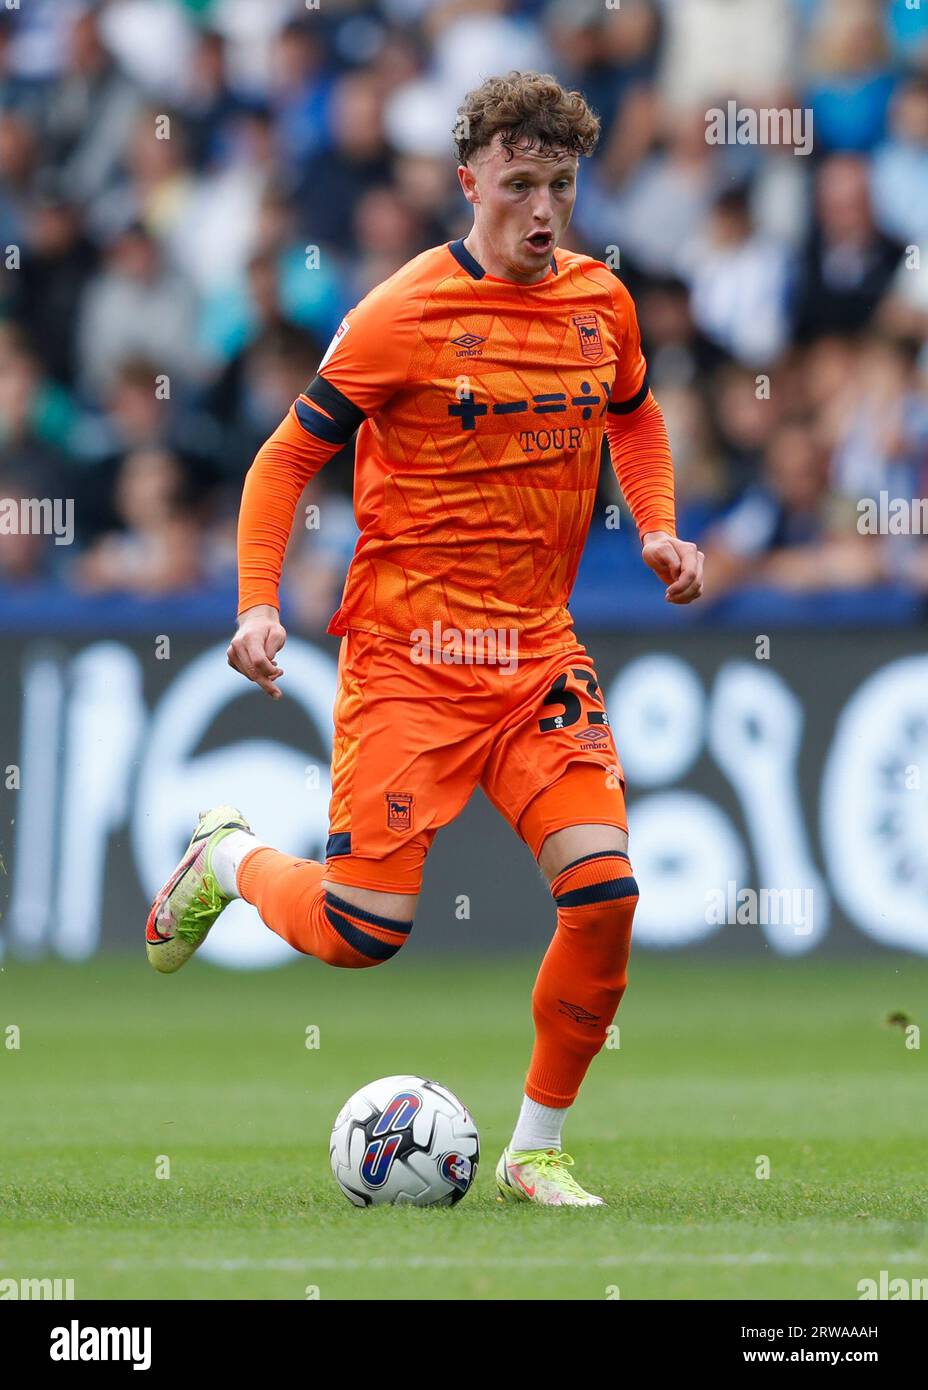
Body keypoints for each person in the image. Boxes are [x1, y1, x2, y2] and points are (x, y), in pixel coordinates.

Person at [144, 71, 704, 1207]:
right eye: (518, 185)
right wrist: (258, 601)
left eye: (559, 184)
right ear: (469, 183)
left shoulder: (603, 302)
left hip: (536, 652)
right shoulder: (402, 313)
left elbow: (635, 415)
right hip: (410, 658)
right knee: (361, 931)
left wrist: (657, 527)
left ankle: (535, 1148)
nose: (542, 210)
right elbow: (283, 459)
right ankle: (230, 858)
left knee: (603, 892)